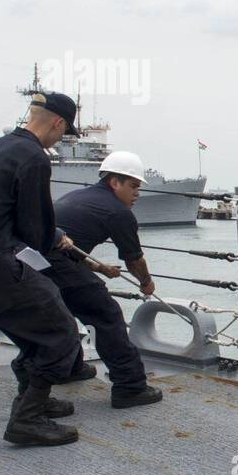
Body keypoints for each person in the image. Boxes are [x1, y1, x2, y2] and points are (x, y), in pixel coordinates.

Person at [0, 91, 85, 446]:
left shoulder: (0, 146)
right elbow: (34, 230)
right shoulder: (35, 157)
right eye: (64, 132)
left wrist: (47, 233)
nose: (60, 139)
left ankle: (33, 397)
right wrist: (56, 238)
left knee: (32, 330)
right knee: (61, 330)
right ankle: (27, 419)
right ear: (57, 123)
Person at [45, 151, 165, 410]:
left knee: (62, 314)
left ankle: (69, 368)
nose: (137, 194)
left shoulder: (77, 196)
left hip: (37, 263)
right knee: (106, 315)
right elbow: (134, 260)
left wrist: (97, 267)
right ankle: (130, 387)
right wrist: (146, 282)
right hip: (59, 265)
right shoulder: (118, 213)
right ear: (114, 183)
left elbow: (66, 244)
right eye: (133, 186)